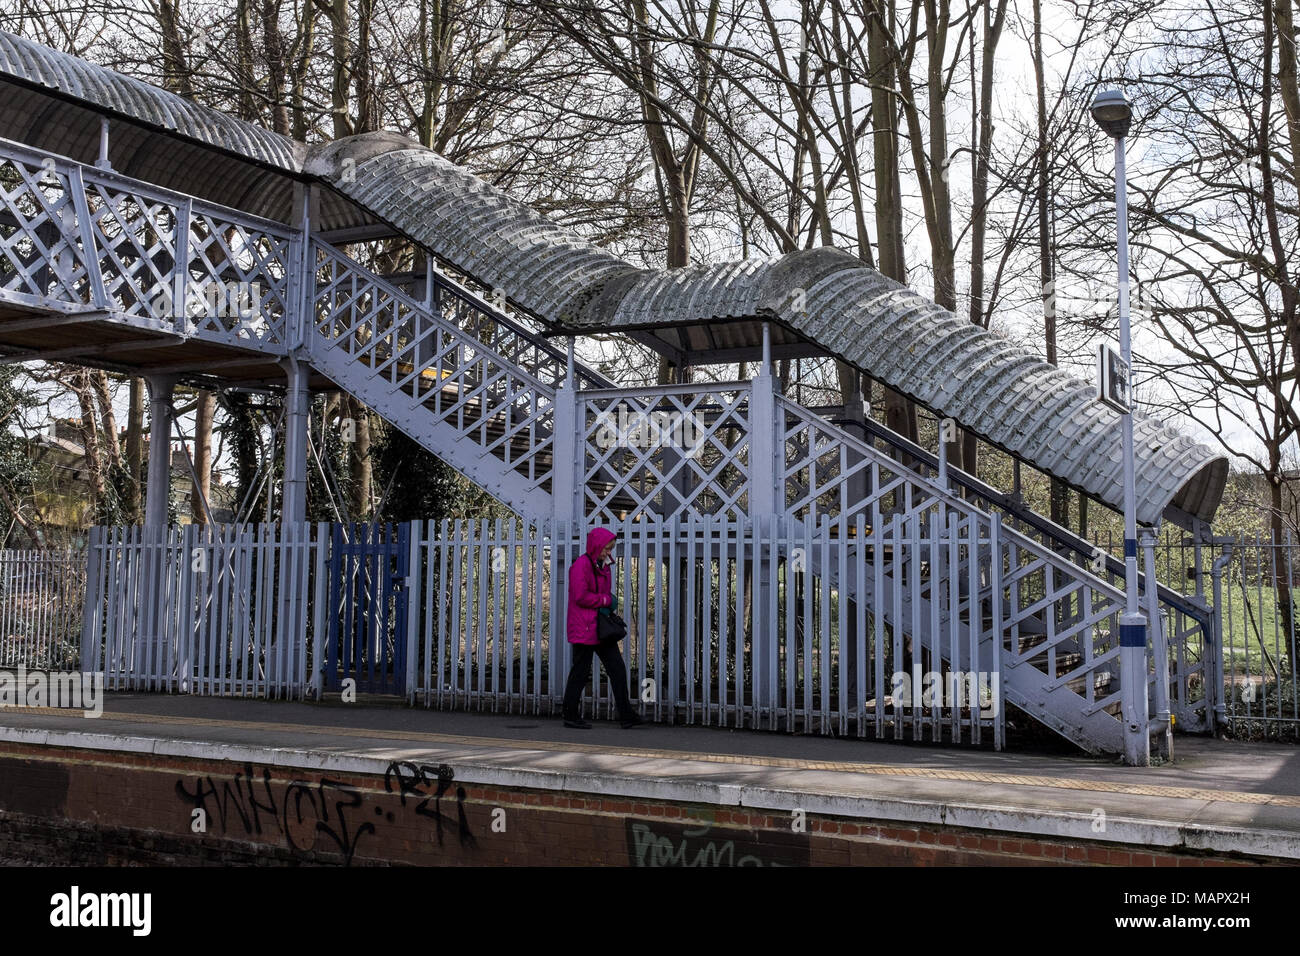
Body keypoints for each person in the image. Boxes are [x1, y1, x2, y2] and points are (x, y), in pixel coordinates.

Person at [561, 527, 643, 729]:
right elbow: (580, 596)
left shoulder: (601, 564)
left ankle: (626, 715)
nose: (609, 552)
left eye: (611, 549)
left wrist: (605, 601)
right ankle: (570, 715)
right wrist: (605, 599)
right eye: (606, 548)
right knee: (580, 672)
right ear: (596, 546)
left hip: (598, 626)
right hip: (585, 626)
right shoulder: (581, 565)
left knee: (616, 668)